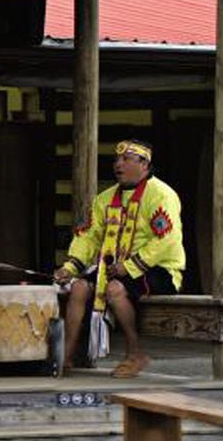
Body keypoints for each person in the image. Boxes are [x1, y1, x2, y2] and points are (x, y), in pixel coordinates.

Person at [54, 139, 184, 378]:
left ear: (144, 164)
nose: (118, 164)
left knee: (114, 289)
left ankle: (134, 354)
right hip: (114, 267)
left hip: (159, 268)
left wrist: (132, 266)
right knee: (80, 287)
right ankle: (66, 356)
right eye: (116, 159)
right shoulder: (104, 199)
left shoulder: (161, 195)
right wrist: (71, 266)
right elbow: (89, 236)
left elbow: (167, 240)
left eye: (126, 159)